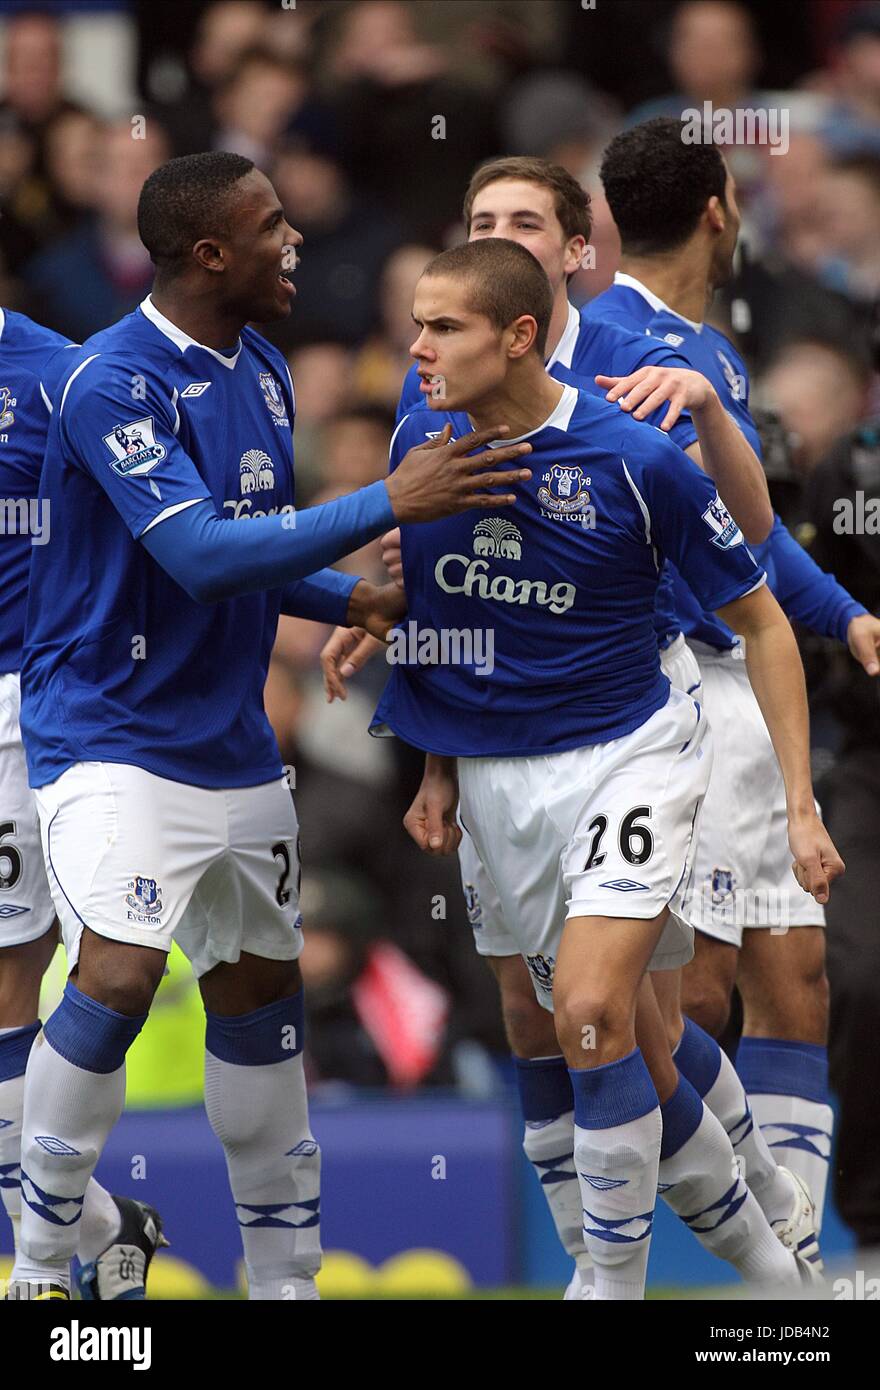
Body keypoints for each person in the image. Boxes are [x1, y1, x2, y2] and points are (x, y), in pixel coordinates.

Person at [7, 150, 532, 1303]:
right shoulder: (112, 381)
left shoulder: (266, 370)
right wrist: (386, 504)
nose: (296, 242)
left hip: (233, 747)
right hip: (110, 735)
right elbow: (195, 556)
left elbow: (253, 545)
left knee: (259, 1002)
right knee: (119, 972)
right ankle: (42, 1270)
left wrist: (360, 599)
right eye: (272, 227)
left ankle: (283, 1283)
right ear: (209, 255)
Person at [323, 155, 827, 1298]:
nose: (413, 354)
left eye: (439, 329)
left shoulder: (636, 438)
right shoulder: (425, 448)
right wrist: (426, 744)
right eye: (413, 327)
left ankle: (605, 1282)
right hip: (503, 768)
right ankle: (776, 1271)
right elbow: (449, 616)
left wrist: (798, 800)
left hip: (635, 745)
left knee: (597, 1010)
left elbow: (760, 607)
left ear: (518, 331)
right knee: (618, 1036)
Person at [588, 116, 880, 1236]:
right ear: (721, 208)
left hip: (750, 676)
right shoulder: (603, 339)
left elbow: (743, 535)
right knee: (692, 991)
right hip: (666, 687)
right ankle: (719, 1240)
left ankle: (795, 1251)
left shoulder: (708, 352)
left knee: (795, 976)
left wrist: (841, 610)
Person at [0, 307, 171, 1301]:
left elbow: (162, 533)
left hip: (24, 709)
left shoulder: (64, 376)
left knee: (13, 988)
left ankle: (47, 1271)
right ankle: (110, 1227)